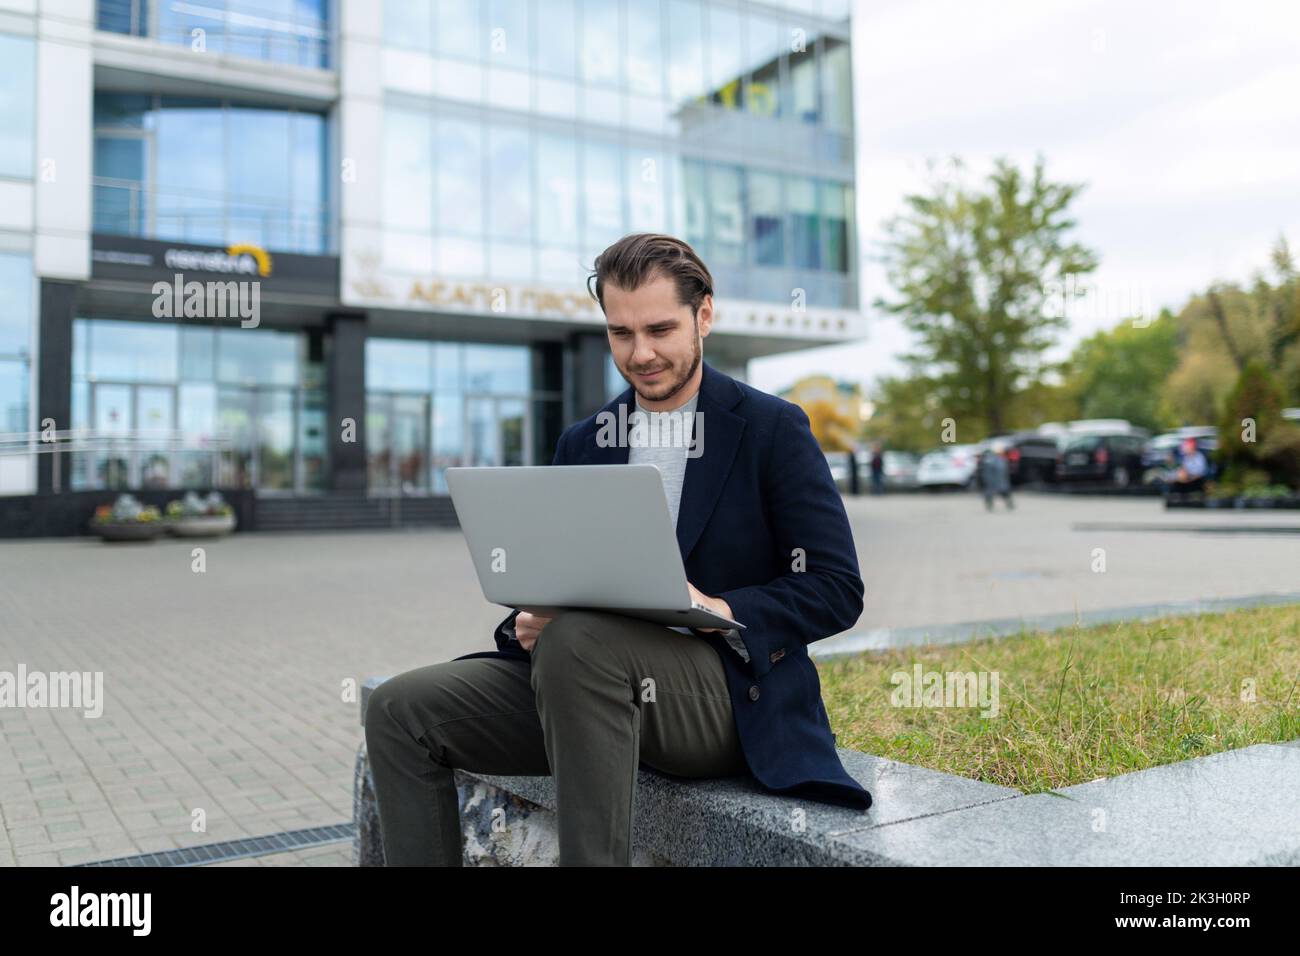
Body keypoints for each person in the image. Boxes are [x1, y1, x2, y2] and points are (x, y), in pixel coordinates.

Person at [364, 233, 871, 866]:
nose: (642, 353)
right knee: (398, 710)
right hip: (580, 687)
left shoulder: (771, 429)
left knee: (579, 644)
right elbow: (552, 579)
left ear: (704, 315)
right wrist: (525, 620)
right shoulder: (585, 442)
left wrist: (714, 604)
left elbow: (834, 587)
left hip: (721, 700)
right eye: (621, 333)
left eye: (660, 329)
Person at [979, 440, 1014, 511]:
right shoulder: (989, 458)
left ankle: (1009, 504)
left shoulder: (1001, 458)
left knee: (1005, 491)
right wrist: (988, 480)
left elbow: (1004, 469)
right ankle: (989, 505)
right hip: (992, 480)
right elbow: (986, 472)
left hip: (1001, 479)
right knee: (989, 493)